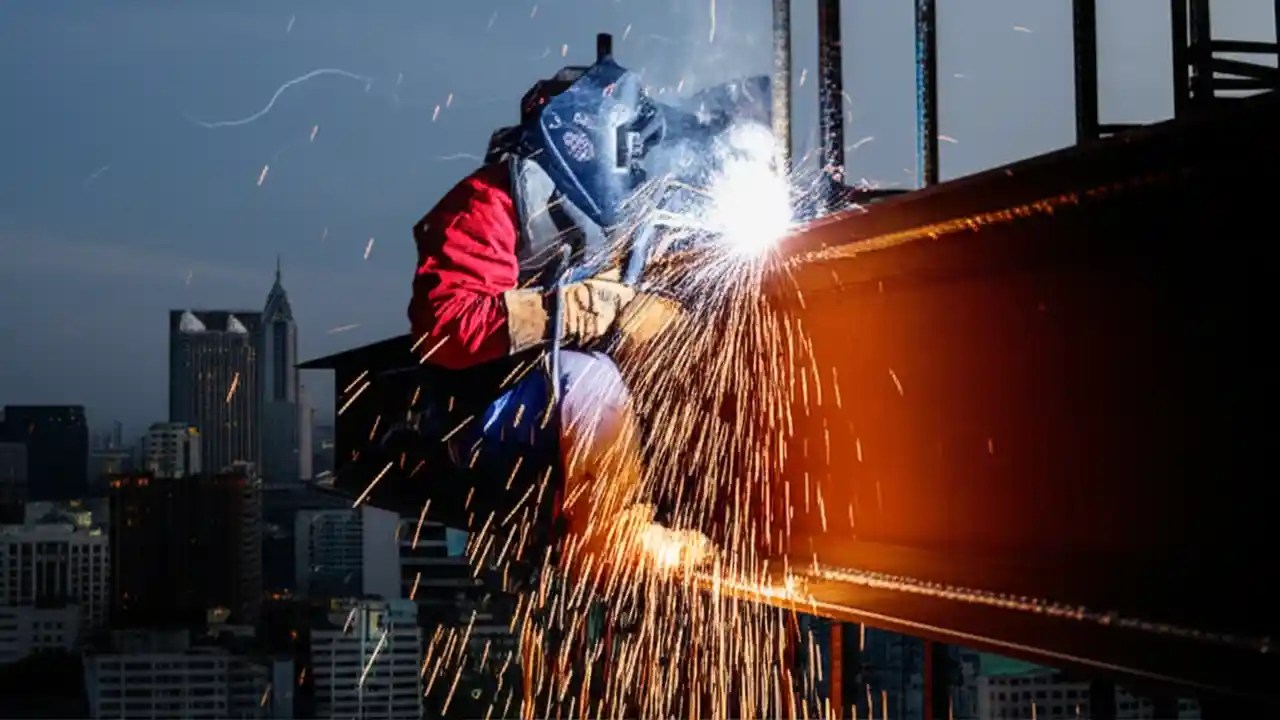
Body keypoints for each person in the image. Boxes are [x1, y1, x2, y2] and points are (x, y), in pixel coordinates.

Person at [407, 58, 710, 577]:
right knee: (588, 377)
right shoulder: (487, 203)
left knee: (668, 356)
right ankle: (611, 534)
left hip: (560, 417)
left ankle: (687, 503)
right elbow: (444, 327)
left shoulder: (611, 219)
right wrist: (569, 308)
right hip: (484, 407)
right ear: (587, 135)